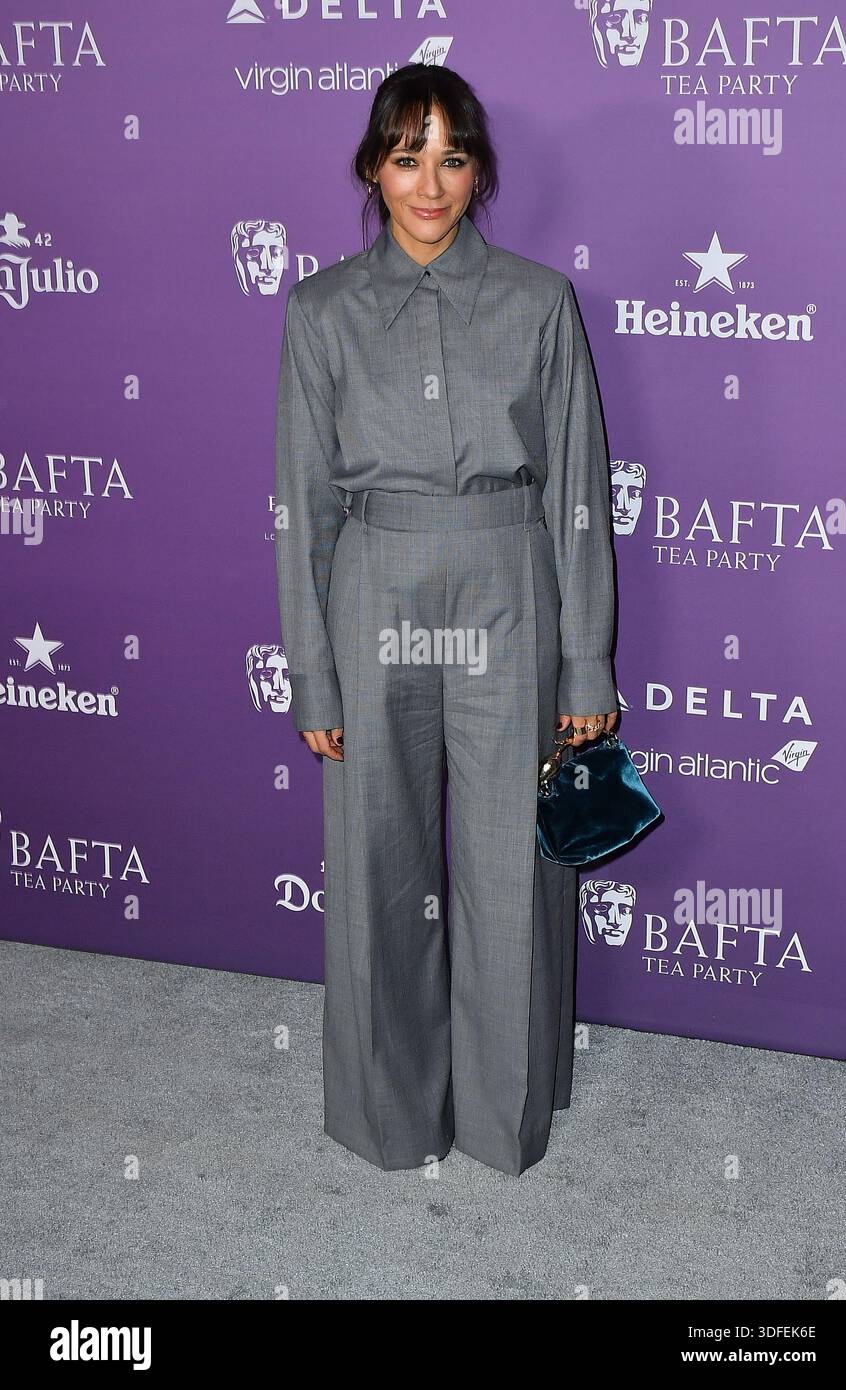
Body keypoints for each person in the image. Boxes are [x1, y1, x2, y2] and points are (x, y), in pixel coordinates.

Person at [275, 63, 618, 1177]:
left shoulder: (537, 301)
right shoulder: (320, 310)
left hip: (510, 581)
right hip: (374, 581)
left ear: (478, 169)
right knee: (375, 857)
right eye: (406, 154)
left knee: (512, 871)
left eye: (452, 155)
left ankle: (504, 1111)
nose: (430, 183)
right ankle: (388, 1110)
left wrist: (585, 661)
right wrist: (312, 674)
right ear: (373, 166)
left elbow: (575, 487)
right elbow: (304, 507)